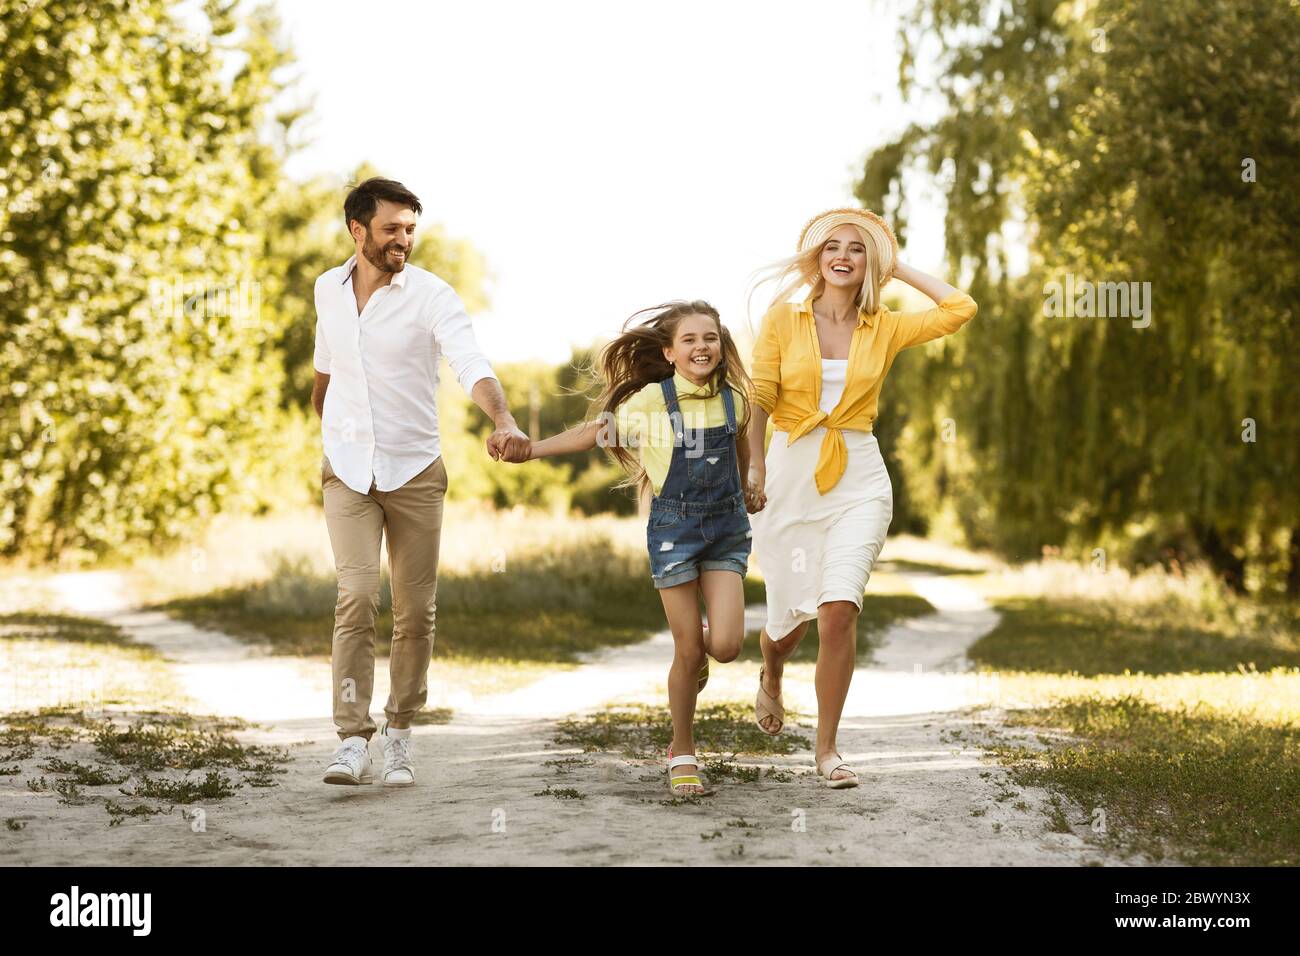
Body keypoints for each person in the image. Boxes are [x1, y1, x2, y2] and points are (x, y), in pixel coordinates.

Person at [746, 207, 978, 788]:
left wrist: (898, 269)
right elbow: (759, 398)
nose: (843, 256)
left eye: (856, 248)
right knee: (791, 623)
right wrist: (753, 467)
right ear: (817, 260)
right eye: (832, 248)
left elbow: (959, 308)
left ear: (869, 261)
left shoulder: (886, 324)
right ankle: (772, 668)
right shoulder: (782, 319)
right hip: (789, 475)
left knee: (838, 611)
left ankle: (827, 751)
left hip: (860, 478)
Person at [311, 177, 529, 787]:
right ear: (358, 231)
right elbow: (323, 373)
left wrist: (503, 419)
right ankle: (352, 740)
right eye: (391, 229)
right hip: (347, 472)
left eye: (410, 228)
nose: (403, 239)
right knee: (355, 597)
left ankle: (400, 733)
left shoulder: (432, 295)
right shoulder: (328, 289)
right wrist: (329, 435)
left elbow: (470, 364)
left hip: (413, 471)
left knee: (415, 610)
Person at [513, 301, 761, 795]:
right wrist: (532, 448)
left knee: (727, 645)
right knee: (687, 651)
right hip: (674, 531)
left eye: (709, 338)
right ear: (669, 352)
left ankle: (705, 649)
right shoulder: (649, 402)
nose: (701, 347)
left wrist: (753, 481)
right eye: (689, 340)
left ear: (721, 344)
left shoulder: (736, 398)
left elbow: (743, 451)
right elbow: (593, 434)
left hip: (726, 527)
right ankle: (683, 754)